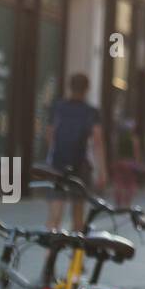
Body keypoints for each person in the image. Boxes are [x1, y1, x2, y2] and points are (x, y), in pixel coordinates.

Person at [44, 73, 107, 231]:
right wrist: (102, 172)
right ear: (87, 89)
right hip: (80, 166)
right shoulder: (91, 111)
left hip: (58, 164)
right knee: (78, 215)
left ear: (69, 86)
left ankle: (50, 252)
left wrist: (54, 155)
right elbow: (97, 142)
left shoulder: (57, 107)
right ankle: (75, 254)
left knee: (55, 214)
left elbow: (49, 134)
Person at [112, 117, 141, 207]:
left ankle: (118, 203)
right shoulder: (134, 139)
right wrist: (138, 164)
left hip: (119, 162)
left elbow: (115, 151)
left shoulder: (118, 139)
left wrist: (115, 162)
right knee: (129, 184)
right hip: (130, 163)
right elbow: (137, 153)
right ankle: (127, 204)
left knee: (119, 183)